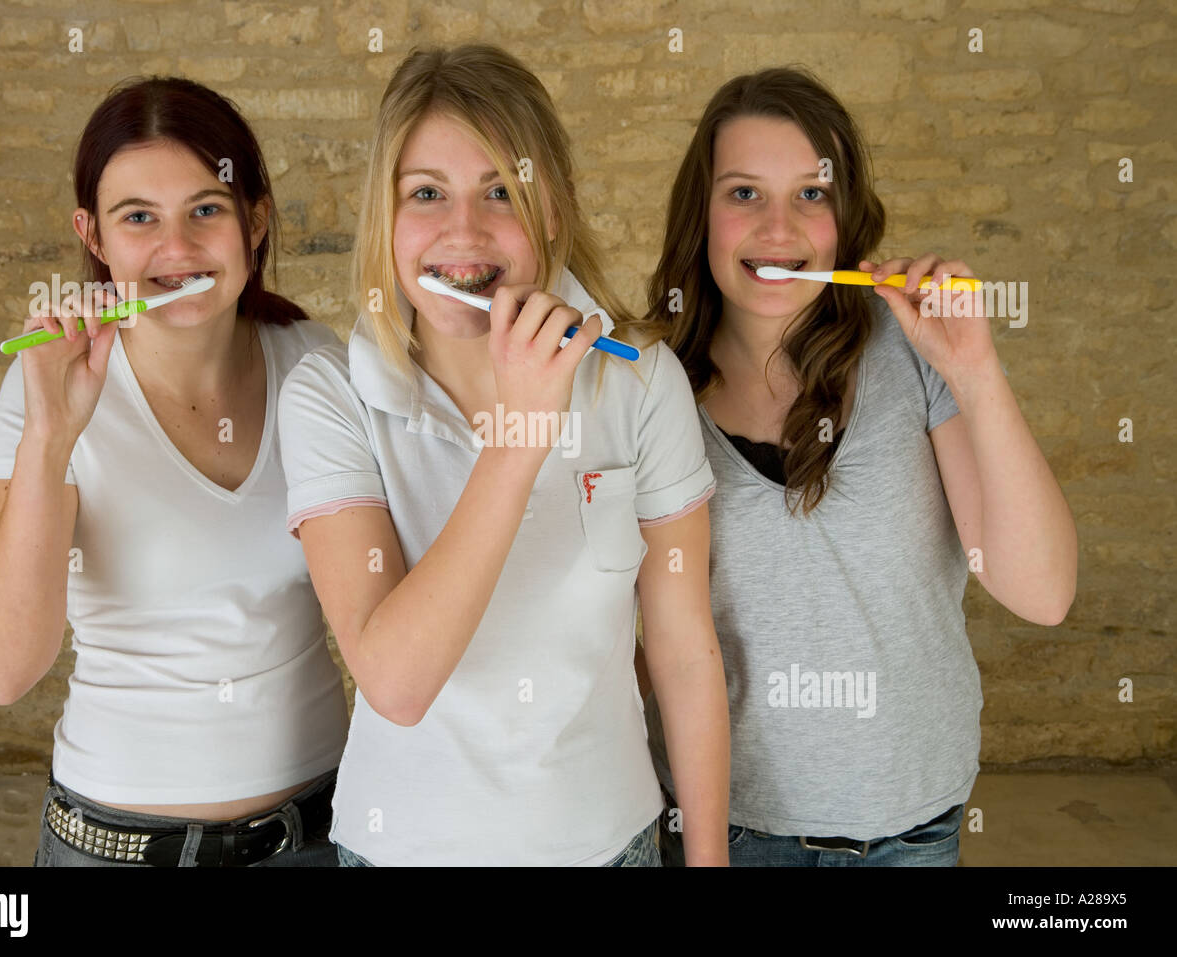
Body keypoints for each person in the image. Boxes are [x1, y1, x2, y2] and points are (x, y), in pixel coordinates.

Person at [277, 44, 730, 866]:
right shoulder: (328, 395)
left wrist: (707, 861)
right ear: (386, 219)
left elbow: (685, 651)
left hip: (609, 842)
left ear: (551, 212)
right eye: (426, 194)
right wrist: (519, 435)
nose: (464, 233)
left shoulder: (642, 381)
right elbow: (396, 682)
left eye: (501, 193)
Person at [639, 67, 1078, 866]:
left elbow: (1043, 592)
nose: (779, 229)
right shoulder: (648, 383)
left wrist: (976, 371)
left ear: (846, 218)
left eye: (812, 194)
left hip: (908, 832)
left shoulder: (914, 350)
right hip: (723, 829)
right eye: (744, 194)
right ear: (699, 214)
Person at [0, 76, 349, 867]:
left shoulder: (318, 364)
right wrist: (51, 438)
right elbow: (0, 669)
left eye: (206, 209)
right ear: (93, 236)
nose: (177, 249)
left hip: (321, 831)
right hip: (115, 848)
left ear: (255, 220)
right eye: (140, 217)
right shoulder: (45, 387)